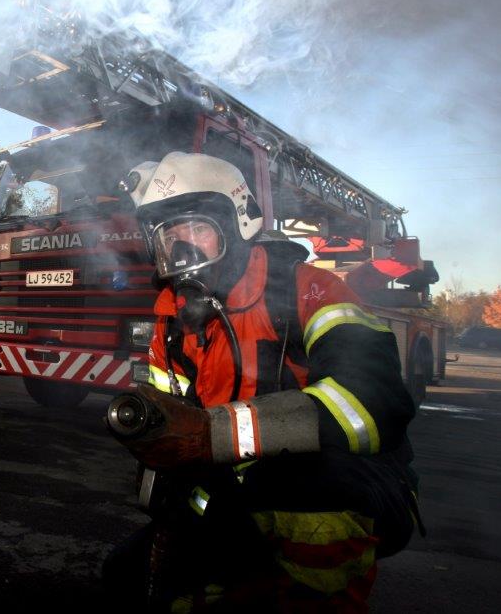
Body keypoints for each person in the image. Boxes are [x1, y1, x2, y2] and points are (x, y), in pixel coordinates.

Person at [104, 152, 420, 612]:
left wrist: (211, 435)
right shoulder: (172, 322)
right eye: (167, 238)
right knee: (126, 575)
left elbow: (372, 406)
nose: (181, 251)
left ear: (238, 224)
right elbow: (172, 426)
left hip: (333, 488)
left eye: (195, 230)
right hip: (235, 488)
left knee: (305, 497)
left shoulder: (309, 292)